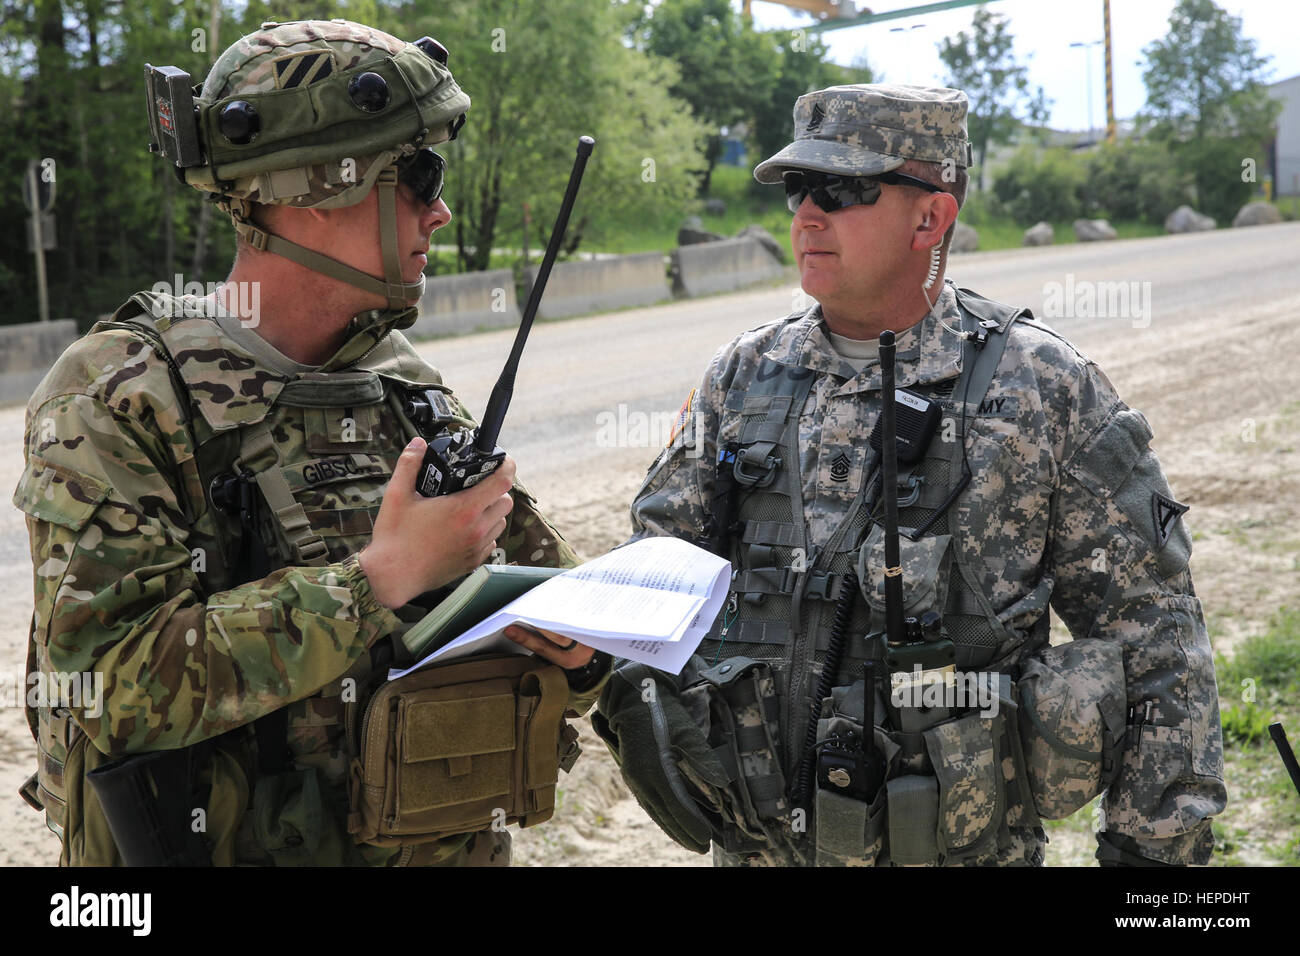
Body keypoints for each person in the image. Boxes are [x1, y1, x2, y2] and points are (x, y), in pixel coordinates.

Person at [14, 19, 608, 867]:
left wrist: (580, 649)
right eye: (416, 176)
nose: (440, 210)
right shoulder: (120, 398)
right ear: (310, 190)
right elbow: (109, 686)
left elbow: (546, 595)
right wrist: (379, 582)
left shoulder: (408, 387)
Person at [594, 84, 1225, 867]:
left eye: (844, 189)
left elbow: (1155, 639)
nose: (806, 215)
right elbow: (654, 574)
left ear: (931, 217)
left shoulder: (1042, 388)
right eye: (798, 189)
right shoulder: (745, 374)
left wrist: (1155, 866)